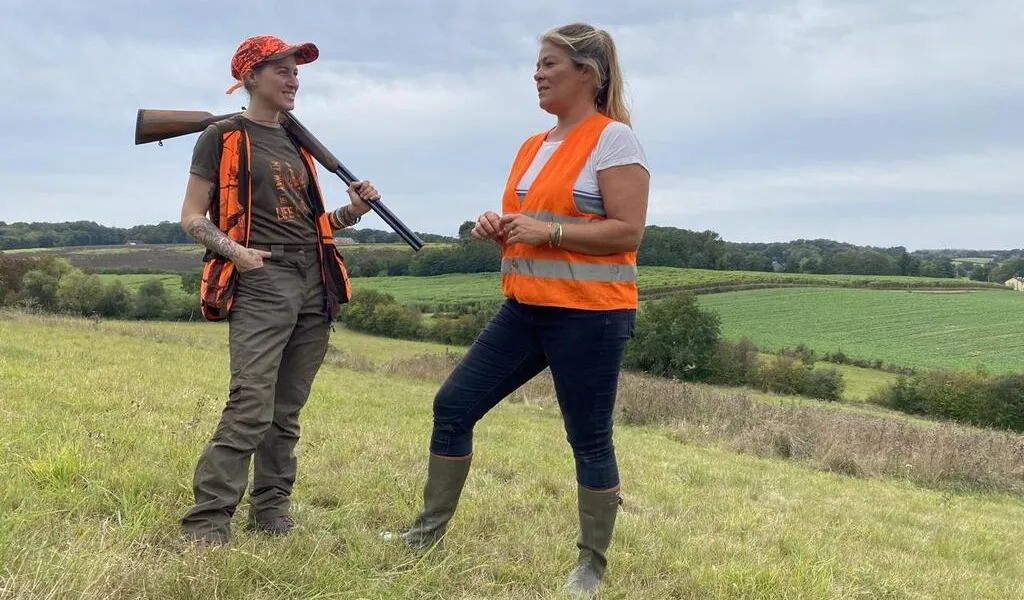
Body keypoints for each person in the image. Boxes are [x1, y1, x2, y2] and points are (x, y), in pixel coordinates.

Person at [384, 22, 650, 598]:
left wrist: (548, 229)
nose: (537, 73)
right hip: (525, 309)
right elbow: (526, 228)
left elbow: (627, 231)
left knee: (589, 439)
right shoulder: (532, 146)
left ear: (588, 74)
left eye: (549, 63)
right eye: (537, 64)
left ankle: (590, 568)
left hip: (591, 315)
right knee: (452, 405)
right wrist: (497, 227)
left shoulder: (614, 140)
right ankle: (426, 536)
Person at [177, 34, 380, 547]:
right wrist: (236, 253)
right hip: (261, 279)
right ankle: (208, 521)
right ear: (250, 78)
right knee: (251, 405)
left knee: (286, 411)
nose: (293, 80)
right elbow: (191, 217)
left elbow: (315, 225)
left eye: (296, 72)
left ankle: (270, 512)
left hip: (315, 280)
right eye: (282, 71)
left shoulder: (297, 141)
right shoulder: (222, 136)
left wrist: (353, 211)